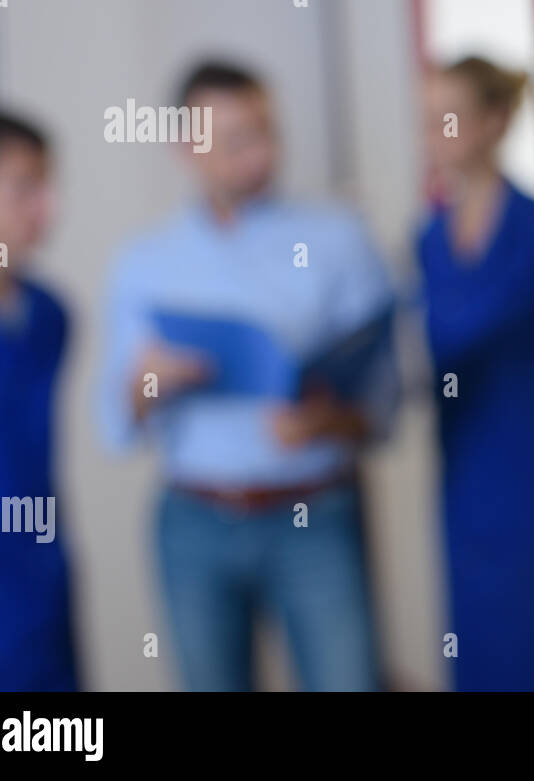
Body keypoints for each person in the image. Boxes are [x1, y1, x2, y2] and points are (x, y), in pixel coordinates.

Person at [97, 61, 396, 691]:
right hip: (194, 522)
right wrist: (152, 382)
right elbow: (116, 427)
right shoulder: (145, 264)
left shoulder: (338, 238)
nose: (257, 156)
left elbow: (386, 400)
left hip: (316, 513)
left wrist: (328, 419)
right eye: (233, 141)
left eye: (265, 133)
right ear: (187, 147)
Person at [418, 56, 534, 691]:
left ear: (495, 121)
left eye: (447, 118)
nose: (432, 133)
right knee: (475, 640)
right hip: (463, 468)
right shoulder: (428, 238)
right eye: (424, 120)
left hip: (531, 463)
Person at [0, 109, 77, 690]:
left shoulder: (50, 316)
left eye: (47, 188)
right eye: (23, 188)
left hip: (39, 587)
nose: (44, 211)